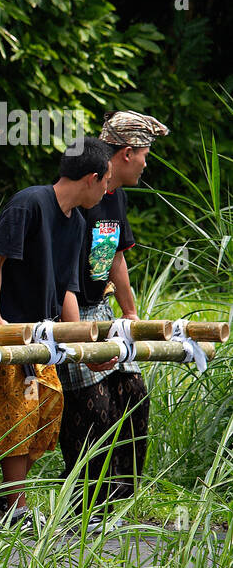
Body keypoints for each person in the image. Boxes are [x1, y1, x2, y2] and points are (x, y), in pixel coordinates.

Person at [0, 137, 114, 524]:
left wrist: (86, 344)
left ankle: (6, 497)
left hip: (42, 336)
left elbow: (67, 288)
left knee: (46, 411)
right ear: (92, 177)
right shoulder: (30, 202)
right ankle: (14, 506)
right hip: (9, 330)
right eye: (106, 181)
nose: (107, 190)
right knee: (18, 413)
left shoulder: (78, 222)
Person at [57, 111, 168, 515]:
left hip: (100, 308)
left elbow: (116, 254)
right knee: (95, 404)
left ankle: (117, 505)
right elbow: (63, 274)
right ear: (125, 153)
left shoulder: (115, 194)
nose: (146, 163)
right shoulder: (85, 191)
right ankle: (83, 507)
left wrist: (131, 312)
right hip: (66, 309)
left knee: (134, 396)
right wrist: (81, 337)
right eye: (144, 154)